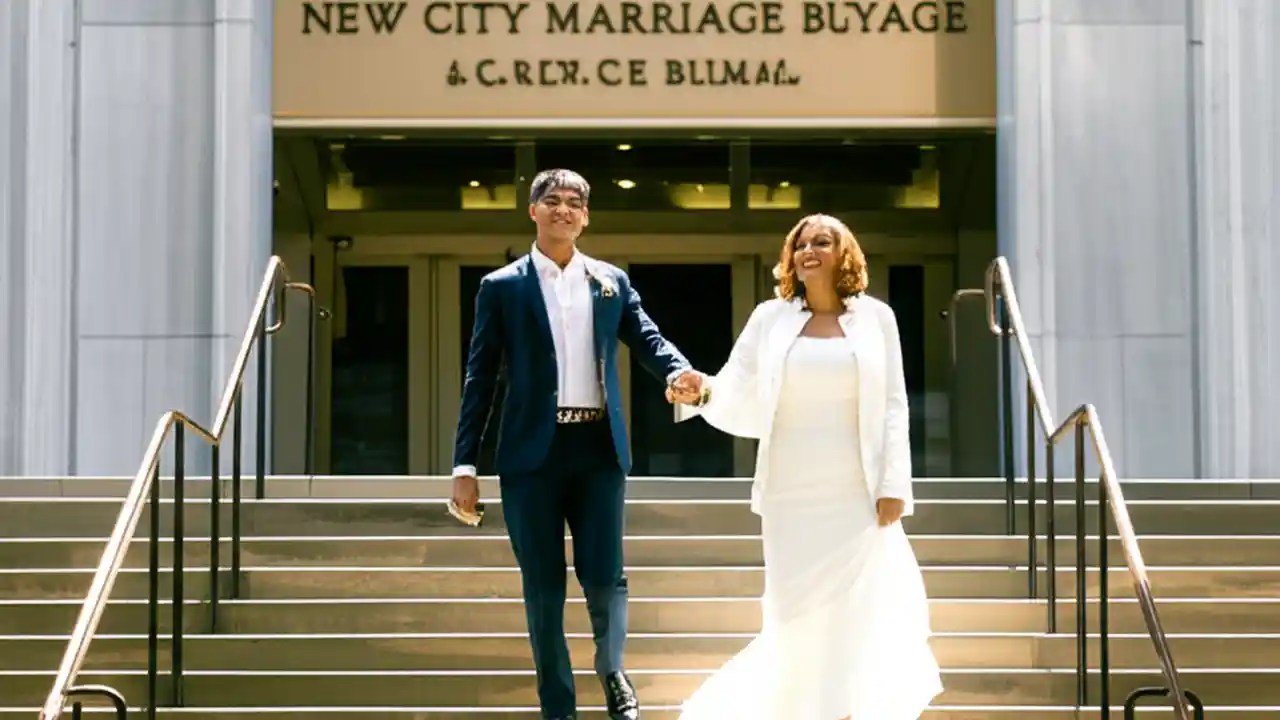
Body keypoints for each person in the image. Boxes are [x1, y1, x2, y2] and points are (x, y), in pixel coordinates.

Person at [667, 213, 943, 719]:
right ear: (790, 257)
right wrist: (700, 391)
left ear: (845, 255)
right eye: (801, 243)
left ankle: (846, 710)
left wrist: (892, 484)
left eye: (823, 241)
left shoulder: (878, 318)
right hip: (790, 493)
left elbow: (893, 405)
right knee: (794, 615)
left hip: (856, 491)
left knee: (854, 612)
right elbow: (737, 387)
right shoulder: (769, 318)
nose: (809, 249)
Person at [451, 168, 703, 720]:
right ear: (533, 211)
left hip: (597, 448)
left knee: (605, 572)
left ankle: (612, 670)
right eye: (552, 200)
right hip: (529, 457)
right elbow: (481, 376)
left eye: (573, 203)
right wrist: (464, 462)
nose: (563, 210)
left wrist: (680, 372)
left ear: (586, 216)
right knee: (542, 586)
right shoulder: (502, 287)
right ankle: (557, 706)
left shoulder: (610, 281)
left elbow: (647, 338)